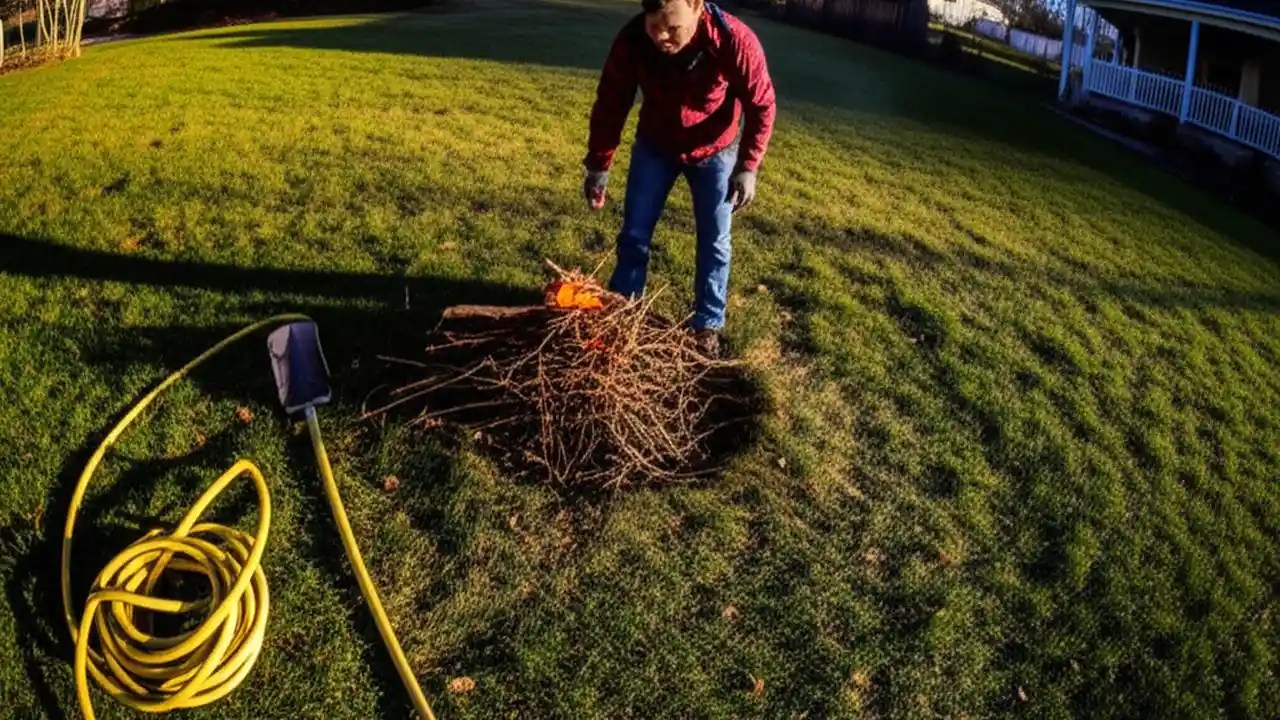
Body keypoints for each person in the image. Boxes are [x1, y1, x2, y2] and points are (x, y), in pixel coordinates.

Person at [583, 0, 776, 356]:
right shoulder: (633, 39)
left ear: (697, 6)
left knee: (715, 241)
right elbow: (612, 100)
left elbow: (761, 103)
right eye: (654, 25)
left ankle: (707, 325)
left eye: (672, 27)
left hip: (715, 151)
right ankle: (623, 311)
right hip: (655, 145)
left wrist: (748, 166)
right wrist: (599, 165)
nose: (660, 36)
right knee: (635, 233)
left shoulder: (734, 40)